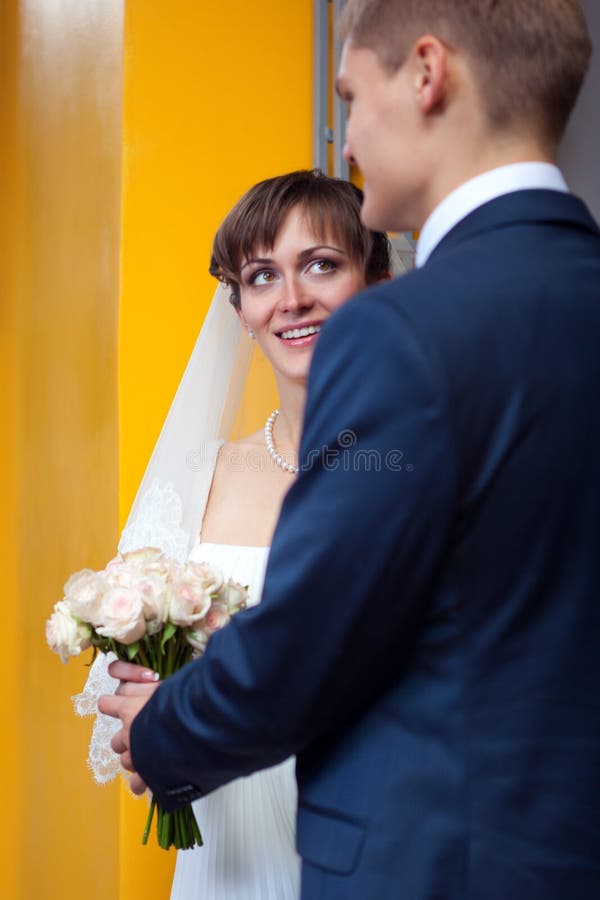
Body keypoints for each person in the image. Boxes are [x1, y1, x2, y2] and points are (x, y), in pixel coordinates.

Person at [101, 2, 600, 898]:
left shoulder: (402, 335)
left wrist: (163, 734)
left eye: (351, 96)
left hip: (430, 857)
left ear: (426, 72)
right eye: (261, 277)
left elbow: (315, 634)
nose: (351, 134)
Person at [84, 168, 392, 900]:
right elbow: (133, 735)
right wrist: (151, 725)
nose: (291, 300)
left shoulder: (419, 470)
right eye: (261, 276)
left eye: (321, 264)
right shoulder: (201, 476)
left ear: (378, 281)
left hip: (376, 851)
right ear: (241, 308)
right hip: (225, 862)